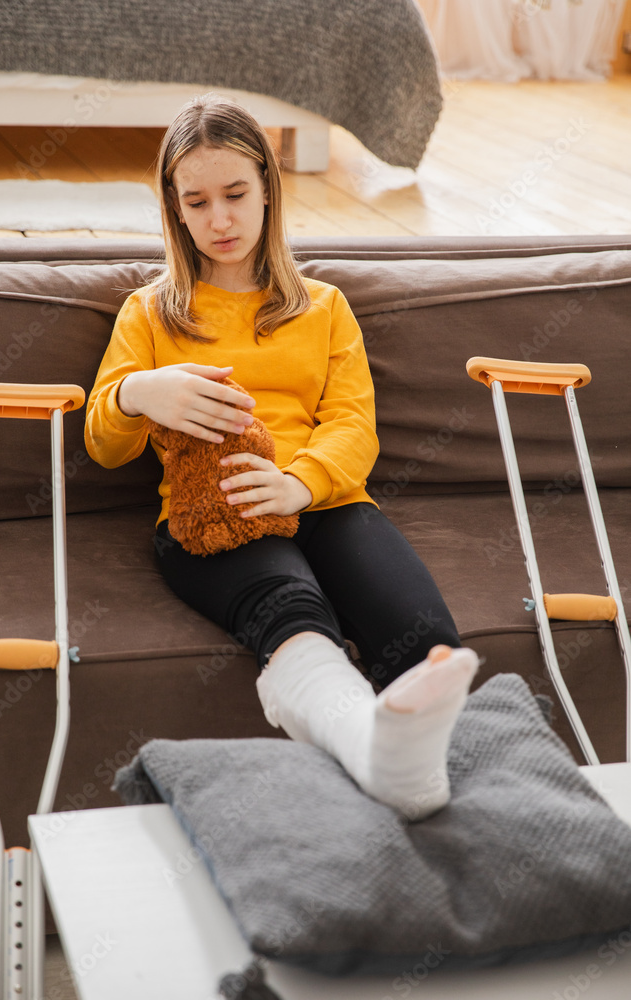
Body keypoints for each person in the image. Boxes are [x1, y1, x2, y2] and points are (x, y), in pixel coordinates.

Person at [85, 93, 479, 821]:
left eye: (235, 194)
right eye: (196, 203)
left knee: (425, 638)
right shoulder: (150, 313)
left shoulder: (323, 307)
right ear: (175, 210)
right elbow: (104, 444)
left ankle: (407, 774)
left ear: (269, 186)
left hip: (321, 502)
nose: (220, 220)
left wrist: (299, 485)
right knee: (293, 610)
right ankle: (380, 761)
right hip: (212, 519)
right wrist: (140, 393)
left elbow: (354, 428)